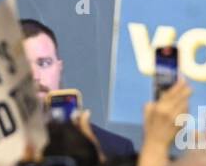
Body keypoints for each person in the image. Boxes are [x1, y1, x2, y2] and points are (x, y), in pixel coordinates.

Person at [20, 19, 135, 158]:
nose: (35, 76)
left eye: (44, 63)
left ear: (59, 67)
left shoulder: (115, 150)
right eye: (22, 65)